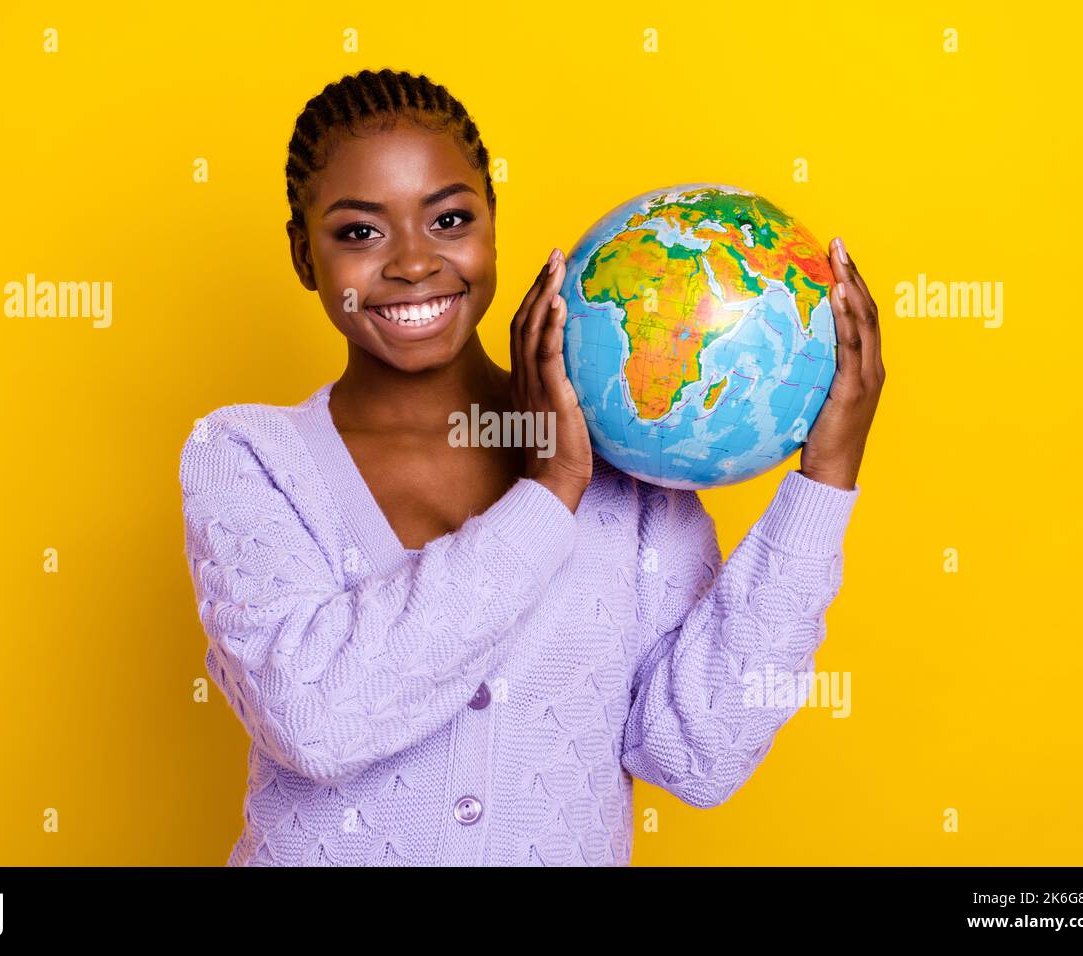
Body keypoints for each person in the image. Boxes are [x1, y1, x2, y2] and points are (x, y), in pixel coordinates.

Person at [178, 68, 884, 866]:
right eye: (359, 232)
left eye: (448, 219)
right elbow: (317, 720)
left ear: (491, 228)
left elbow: (696, 756)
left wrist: (822, 485)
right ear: (304, 255)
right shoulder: (244, 456)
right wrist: (549, 494)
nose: (413, 263)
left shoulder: (633, 466)